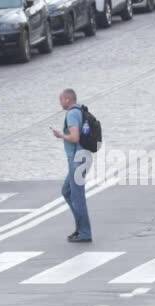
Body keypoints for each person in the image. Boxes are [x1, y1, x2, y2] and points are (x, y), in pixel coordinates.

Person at [51, 89, 93, 243]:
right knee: (67, 191)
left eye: (61, 99)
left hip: (78, 159)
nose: (60, 102)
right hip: (82, 157)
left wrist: (60, 135)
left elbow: (75, 137)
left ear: (67, 100)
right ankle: (80, 228)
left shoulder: (71, 114)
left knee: (77, 197)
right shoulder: (80, 109)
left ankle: (85, 232)